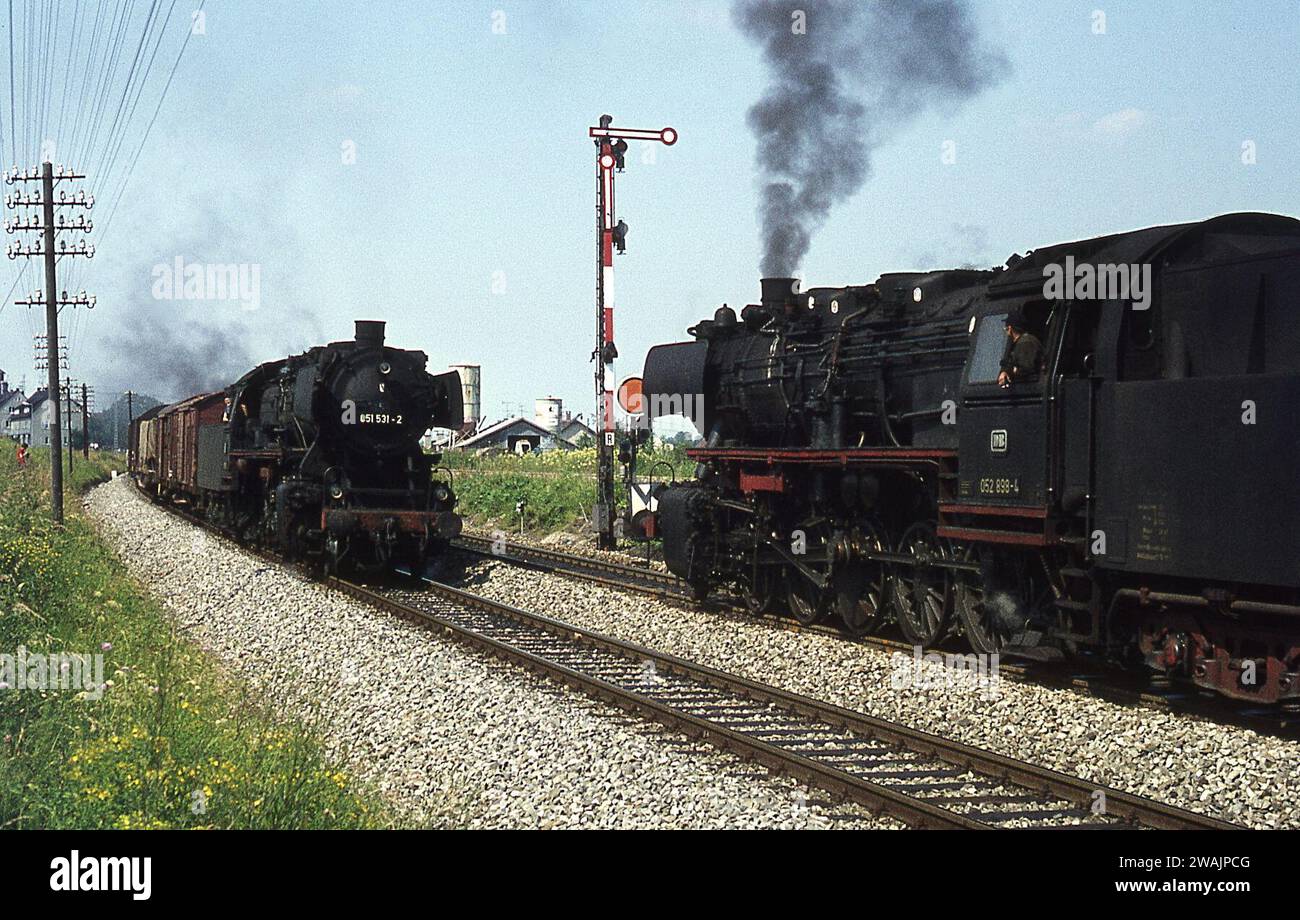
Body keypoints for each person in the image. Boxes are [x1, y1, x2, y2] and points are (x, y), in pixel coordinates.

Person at [998, 308, 1043, 387]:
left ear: (1010, 329)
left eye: (1006, 327)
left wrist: (1010, 373)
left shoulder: (1026, 343)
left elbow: (1026, 368)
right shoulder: (1022, 342)